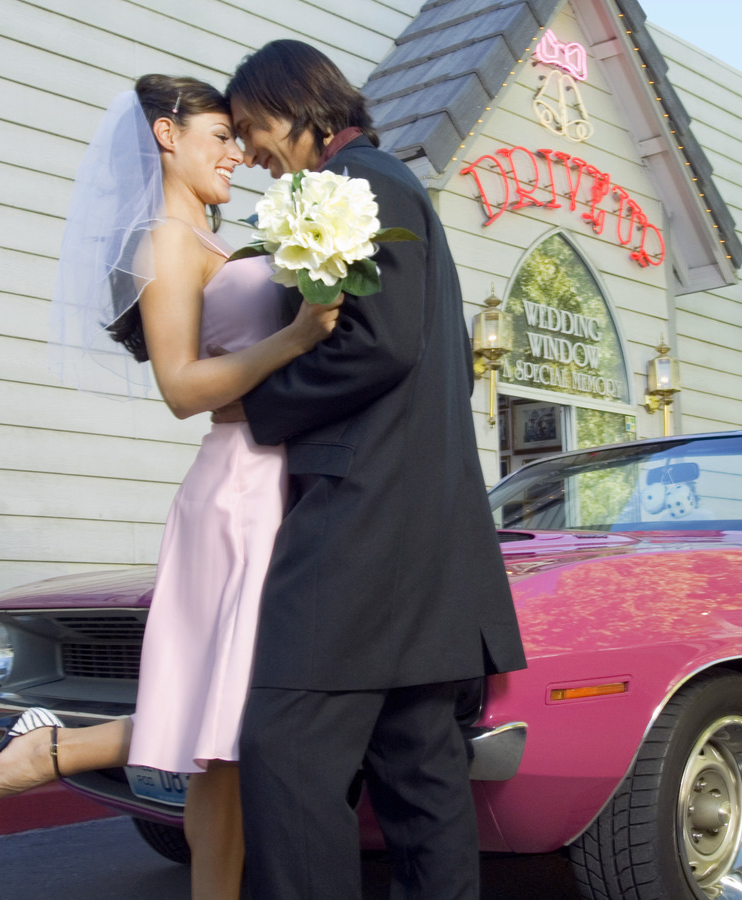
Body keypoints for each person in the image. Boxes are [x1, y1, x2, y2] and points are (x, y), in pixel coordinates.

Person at [0, 74, 341, 900]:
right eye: (221, 136)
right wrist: (299, 336)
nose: (238, 154)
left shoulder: (220, 238)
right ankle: (55, 751)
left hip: (277, 478)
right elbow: (182, 387)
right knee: (227, 724)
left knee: (231, 729)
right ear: (167, 135)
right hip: (238, 488)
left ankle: (56, 750)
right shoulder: (164, 241)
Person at [225, 40, 528, 900]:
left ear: (297, 104)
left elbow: (379, 345)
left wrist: (259, 403)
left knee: (284, 751)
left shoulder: (357, 185)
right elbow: (436, 358)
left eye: (251, 127)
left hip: (359, 529)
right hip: (417, 541)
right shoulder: (389, 185)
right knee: (419, 775)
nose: (248, 150)